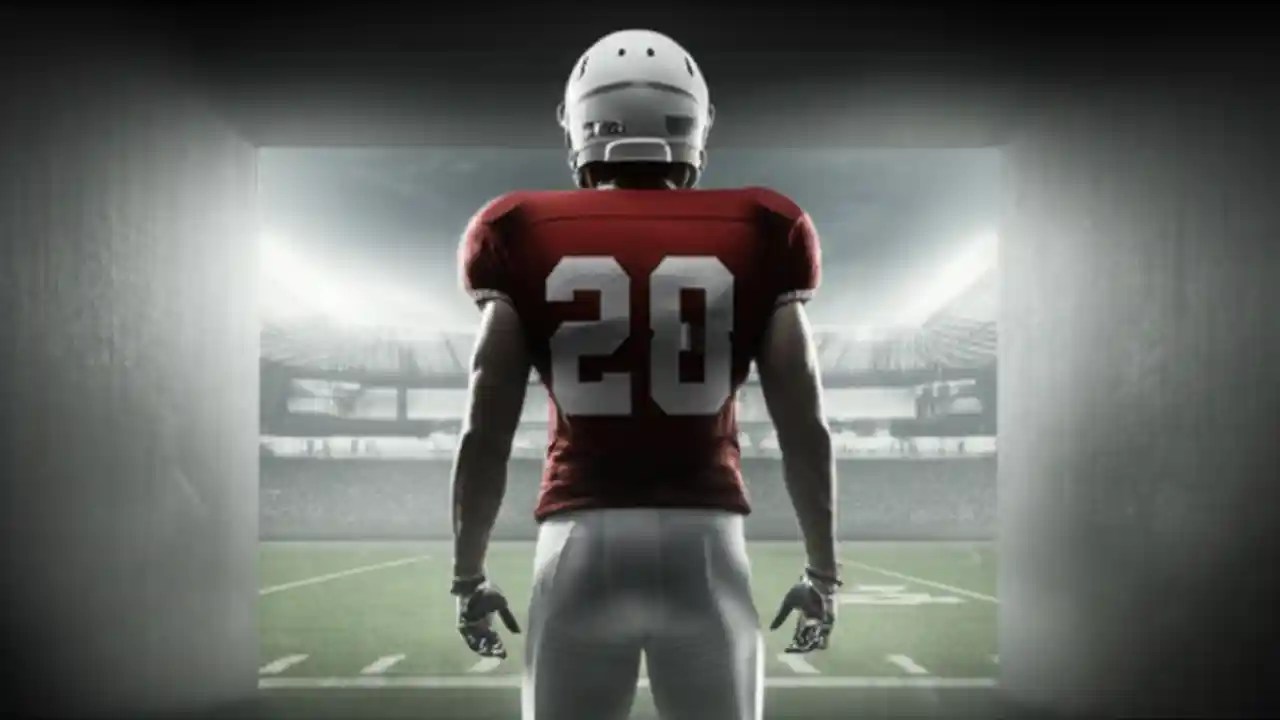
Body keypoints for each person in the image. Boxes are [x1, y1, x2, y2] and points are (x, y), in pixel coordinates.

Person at [448, 29, 840, 720]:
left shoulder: (517, 228)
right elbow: (805, 425)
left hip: (578, 544)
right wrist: (823, 573)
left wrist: (467, 576)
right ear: (695, 122)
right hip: (707, 548)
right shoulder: (762, 225)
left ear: (579, 121)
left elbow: (485, 426)